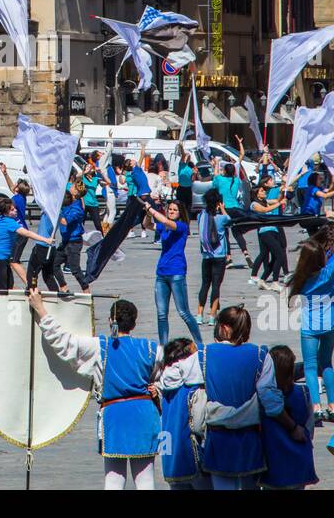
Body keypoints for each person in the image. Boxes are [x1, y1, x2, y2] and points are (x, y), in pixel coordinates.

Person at [29, 290, 162, 489]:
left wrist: (40, 309)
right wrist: (157, 388)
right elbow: (168, 375)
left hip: (114, 417)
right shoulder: (153, 348)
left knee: (113, 480)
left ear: (110, 321)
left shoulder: (100, 347)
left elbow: (64, 341)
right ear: (134, 323)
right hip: (144, 415)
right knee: (145, 481)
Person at [199, 305, 291, 490]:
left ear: (224, 328)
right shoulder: (260, 355)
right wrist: (292, 425)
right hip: (249, 438)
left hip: (218, 438)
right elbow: (271, 404)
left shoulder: (204, 354)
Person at [288, 217, 334, 423]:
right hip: (331, 323)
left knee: (310, 366)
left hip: (310, 326)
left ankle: (316, 407)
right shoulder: (328, 272)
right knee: (326, 363)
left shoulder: (300, 279)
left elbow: (291, 299)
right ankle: (333, 406)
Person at [145, 197, 201, 346]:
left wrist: (151, 209)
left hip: (177, 272)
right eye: (170, 209)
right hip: (161, 273)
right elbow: (147, 225)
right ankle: (163, 346)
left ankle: (200, 343)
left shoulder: (181, 226)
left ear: (180, 213)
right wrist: (148, 213)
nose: (171, 211)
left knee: (184, 312)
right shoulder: (164, 226)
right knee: (161, 314)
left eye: (175, 210)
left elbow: (164, 222)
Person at [261, 346, 318, 489]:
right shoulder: (304, 392)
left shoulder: (263, 397)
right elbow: (309, 426)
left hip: (274, 461)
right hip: (299, 461)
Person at [157, 338, 208, 489]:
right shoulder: (194, 388)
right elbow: (199, 424)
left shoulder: (165, 385)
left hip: (171, 454)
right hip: (192, 452)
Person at [0, 195, 53, 297]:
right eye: (12, 210)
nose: (16, 211)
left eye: (15, 208)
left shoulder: (1, 219)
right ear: (6, 212)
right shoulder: (9, 222)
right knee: (1, 288)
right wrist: (45, 239)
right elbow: (27, 233)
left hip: (1, 257)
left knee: (9, 285)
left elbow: (2, 210)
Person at [196, 190, 231, 326]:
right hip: (219, 255)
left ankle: (199, 314)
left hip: (206, 255)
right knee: (216, 286)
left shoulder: (201, 216)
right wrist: (222, 209)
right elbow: (229, 220)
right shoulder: (221, 218)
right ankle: (212, 316)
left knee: (205, 284)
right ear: (217, 203)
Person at [249, 180, 289, 290]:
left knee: (276, 256)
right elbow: (264, 210)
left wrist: (282, 191)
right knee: (280, 255)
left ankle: (262, 280)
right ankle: (275, 282)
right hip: (265, 232)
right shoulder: (254, 204)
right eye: (261, 191)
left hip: (273, 230)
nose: (264, 192)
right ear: (256, 194)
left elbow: (277, 200)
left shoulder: (266, 201)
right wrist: (279, 204)